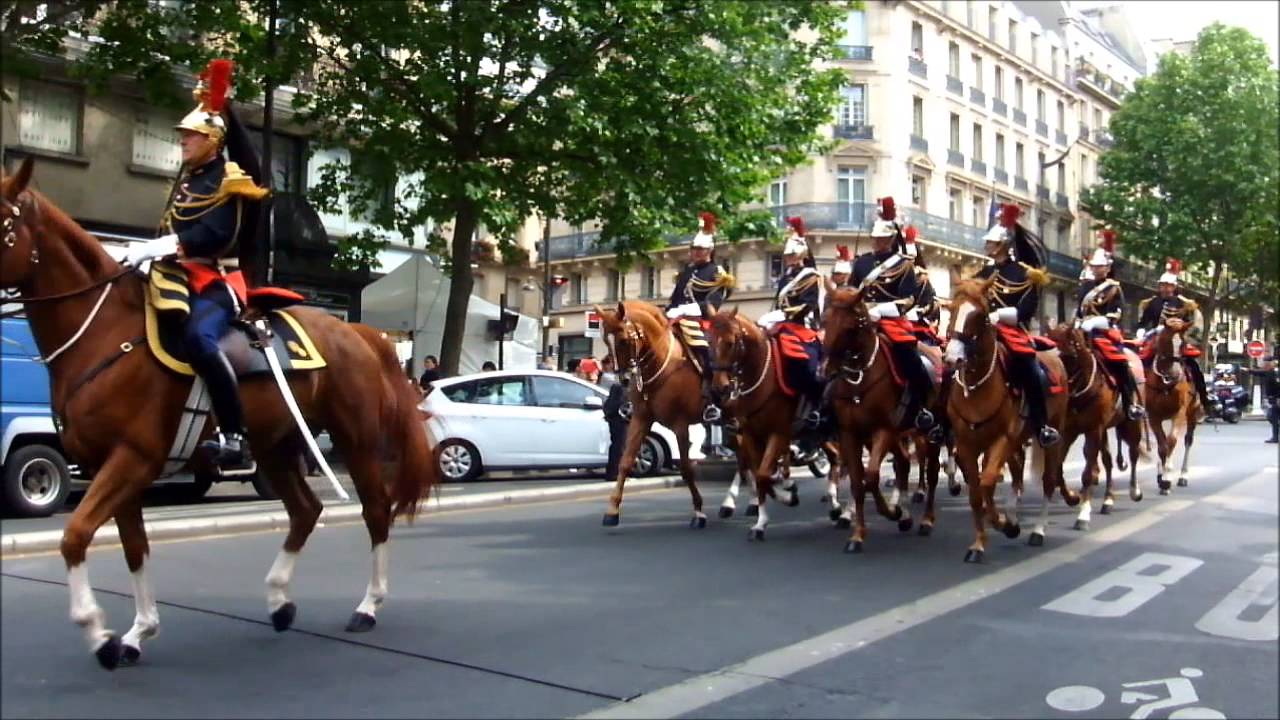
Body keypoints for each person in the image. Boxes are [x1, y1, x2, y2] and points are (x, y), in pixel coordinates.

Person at [124, 59, 268, 476]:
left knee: (200, 340)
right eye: (184, 135)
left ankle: (234, 436)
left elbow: (215, 235)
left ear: (212, 139)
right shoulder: (190, 179)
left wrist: (159, 246)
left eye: (191, 135)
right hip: (178, 275)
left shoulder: (230, 177)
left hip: (216, 280)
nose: (183, 141)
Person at [974, 204, 1060, 447]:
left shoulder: (1026, 274)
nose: (987, 246)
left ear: (1002, 245)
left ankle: (1041, 424)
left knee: (1032, 372)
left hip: (1012, 331)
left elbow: (1026, 311)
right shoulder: (984, 272)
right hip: (983, 331)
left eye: (991, 243)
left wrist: (998, 316)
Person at [849, 197, 937, 433]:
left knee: (911, 360)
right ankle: (828, 412)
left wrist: (879, 310)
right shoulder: (861, 264)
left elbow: (908, 300)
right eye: (874, 238)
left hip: (891, 322)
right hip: (861, 320)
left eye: (881, 238)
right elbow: (850, 291)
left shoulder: (904, 265)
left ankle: (921, 409)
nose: (877, 242)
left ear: (890, 239)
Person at [666, 211, 735, 453]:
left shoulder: (717, 273)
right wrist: (668, 313)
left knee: (711, 354)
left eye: (700, 249)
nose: (695, 253)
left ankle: (714, 401)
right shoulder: (687, 272)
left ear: (709, 251)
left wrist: (689, 309)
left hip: (703, 322)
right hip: (679, 319)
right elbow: (675, 299)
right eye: (693, 249)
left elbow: (713, 304)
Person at [756, 216, 825, 432]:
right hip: (782, 325)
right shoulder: (785, 279)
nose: (789, 259)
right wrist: (771, 318)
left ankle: (816, 406)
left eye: (793, 255)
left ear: (802, 254)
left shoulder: (811, 276)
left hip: (802, 328)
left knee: (809, 367)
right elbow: (778, 302)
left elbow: (808, 305)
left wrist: (781, 316)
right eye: (787, 255)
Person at [1075, 231, 1145, 421]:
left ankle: (1130, 403)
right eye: (1094, 267)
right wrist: (1077, 324)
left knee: (1121, 364)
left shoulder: (1114, 288)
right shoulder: (1085, 287)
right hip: (1082, 331)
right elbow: (1079, 311)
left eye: (1100, 267)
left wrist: (1093, 323)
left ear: (1107, 269)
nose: (1096, 270)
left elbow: (1115, 315)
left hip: (1103, 333)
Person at [1137, 258, 1210, 412]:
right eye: (1163, 285)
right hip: (1155, 337)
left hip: (1178, 338)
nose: (1165, 288)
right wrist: (1142, 333)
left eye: (1168, 285)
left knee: (1194, 366)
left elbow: (1192, 323)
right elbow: (1144, 322)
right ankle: (1137, 399)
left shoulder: (1184, 304)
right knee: (1140, 363)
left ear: (1174, 286)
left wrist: (1186, 335)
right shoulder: (1151, 303)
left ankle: (1204, 399)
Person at [602, 370, 630, 482]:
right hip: (619, 421)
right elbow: (618, 405)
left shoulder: (618, 387)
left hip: (617, 420)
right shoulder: (619, 388)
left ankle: (614, 473)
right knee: (619, 446)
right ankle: (614, 474)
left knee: (619, 446)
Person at [1260, 356, 1280, 443]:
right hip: (1272, 399)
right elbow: (1259, 373)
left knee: (1272, 416)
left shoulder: (1276, 373)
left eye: (1266, 363)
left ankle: (1275, 437)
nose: (1264, 364)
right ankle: (1275, 437)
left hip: (1277, 398)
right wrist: (1248, 370)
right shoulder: (1269, 372)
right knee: (1272, 417)